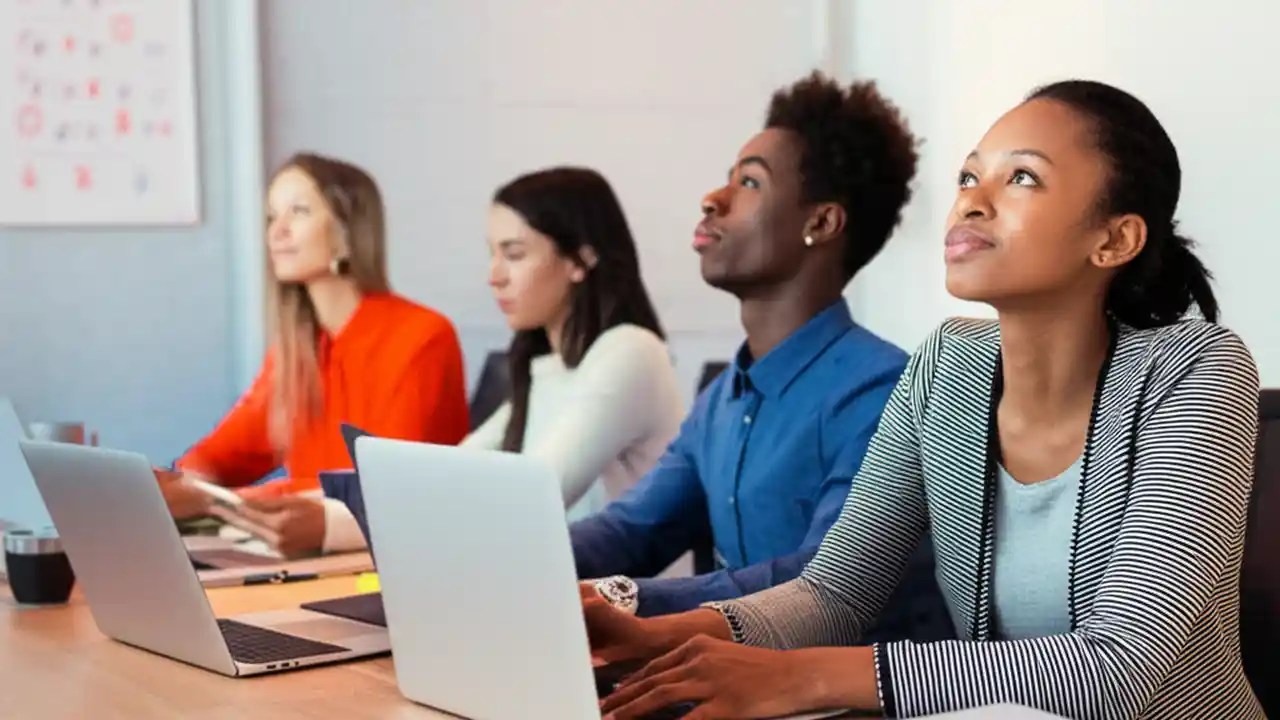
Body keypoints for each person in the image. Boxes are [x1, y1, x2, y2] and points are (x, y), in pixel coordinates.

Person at [591, 80, 1265, 720]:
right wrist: (651, 631)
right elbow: (833, 592)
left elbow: (1117, 665)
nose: (972, 202)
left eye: (1021, 177)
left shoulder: (1196, 371)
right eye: (970, 177)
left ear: (1114, 238)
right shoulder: (947, 365)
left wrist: (803, 678)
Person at [573, 71, 952, 644]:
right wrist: (509, 552)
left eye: (749, 182)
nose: (712, 198)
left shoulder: (882, 392)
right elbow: (632, 531)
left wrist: (625, 598)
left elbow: (818, 584)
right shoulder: (724, 396)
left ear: (820, 223)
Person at [315, 166, 686, 551]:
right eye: (492, 254)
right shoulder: (548, 368)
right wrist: (318, 514)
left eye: (514, 254)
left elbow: (533, 492)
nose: (495, 275)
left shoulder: (631, 352)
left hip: (628, 603)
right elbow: (454, 474)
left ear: (581, 260)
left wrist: (323, 525)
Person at [159, 153, 470, 557]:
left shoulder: (422, 337)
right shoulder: (296, 350)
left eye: (298, 212)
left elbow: (393, 490)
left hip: (395, 561)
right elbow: (221, 455)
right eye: (272, 216)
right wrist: (186, 485)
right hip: (314, 559)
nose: (277, 232)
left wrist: (234, 500)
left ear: (347, 232)